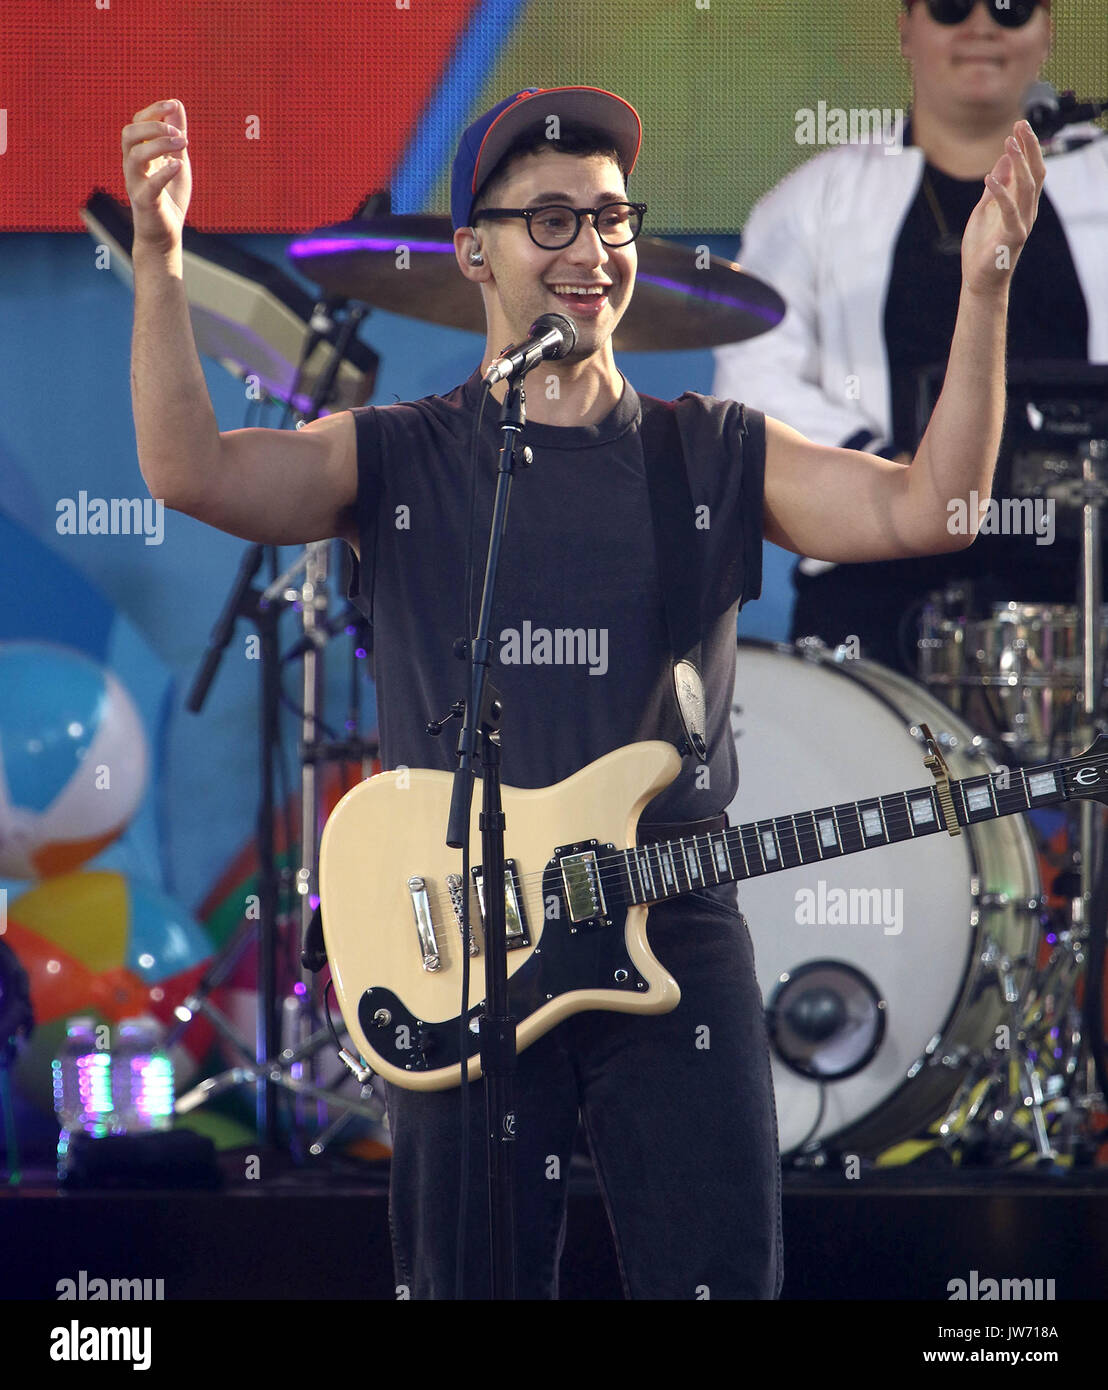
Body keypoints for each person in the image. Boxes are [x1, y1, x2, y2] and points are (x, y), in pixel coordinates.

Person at [123, 84, 1043, 1298]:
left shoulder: (710, 448)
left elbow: (934, 508)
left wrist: (982, 295)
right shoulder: (399, 452)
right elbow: (191, 472)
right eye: (546, 220)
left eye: (608, 219)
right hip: (462, 926)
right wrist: (160, 258)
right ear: (473, 252)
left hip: (674, 909)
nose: (589, 251)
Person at [713, 0, 1108, 675]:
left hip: (1083, 575)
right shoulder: (816, 198)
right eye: (953, 5)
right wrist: (898, 478)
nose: (981, 26)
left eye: (1011, 8)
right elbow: (753, 370)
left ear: (1046, 29)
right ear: (906, 26)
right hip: (878, 586)